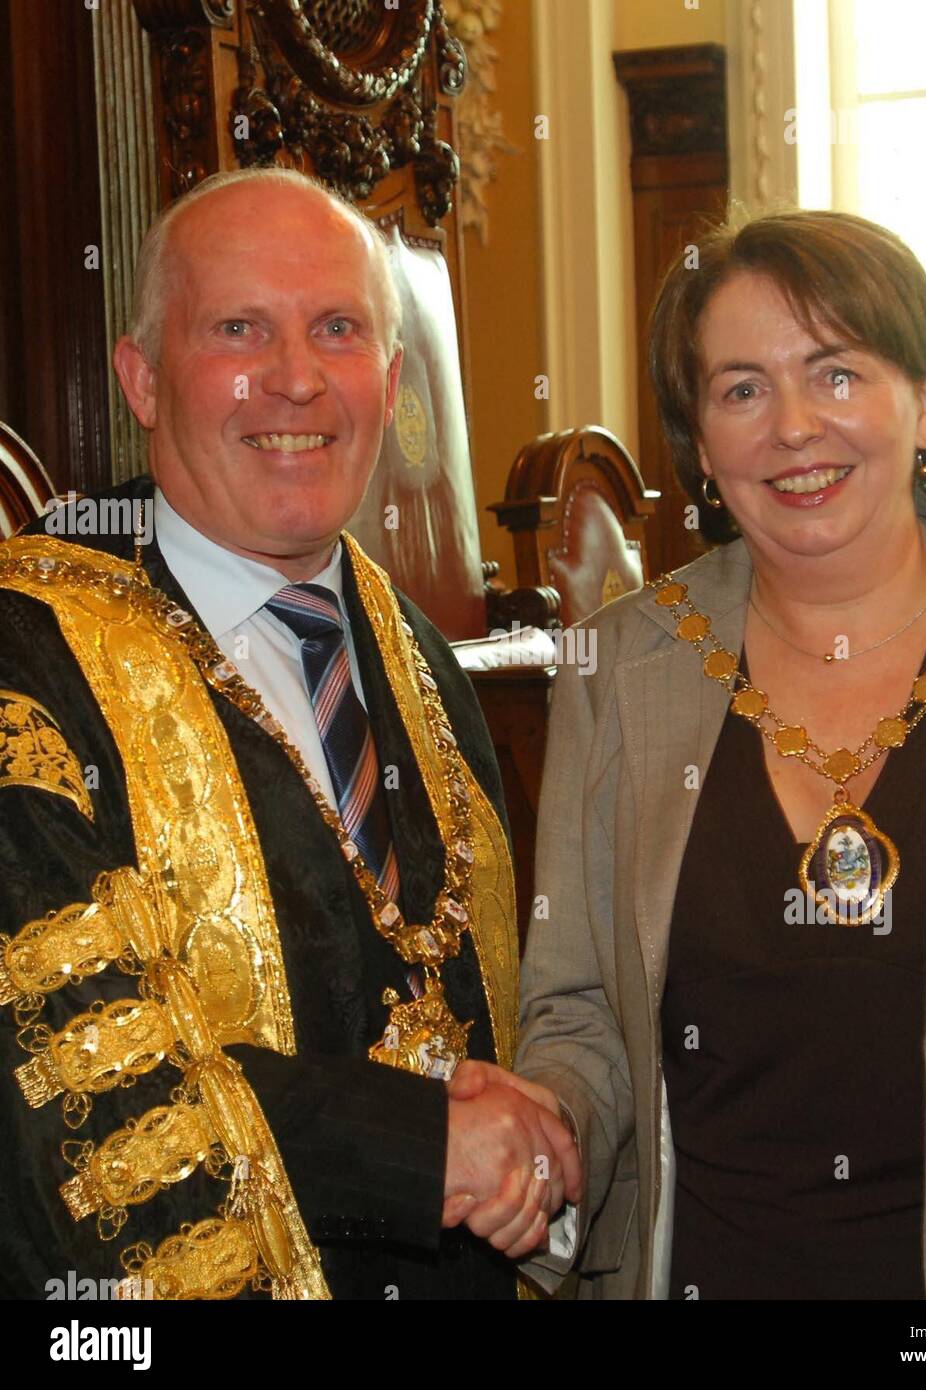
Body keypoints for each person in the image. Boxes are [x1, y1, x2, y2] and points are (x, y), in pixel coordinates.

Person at [0, 167, 579, 1301]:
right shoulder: (30, 661)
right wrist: (423, 1150)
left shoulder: (424, 658)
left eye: (337, 330)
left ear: (392, 378)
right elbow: (58, 1074)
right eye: (237, 329)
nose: (297, 379)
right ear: (143, 379)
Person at [508, 210, 926, 1298]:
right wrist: (542, 1125)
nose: (789, 428)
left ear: (923, 402)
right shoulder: (619, 664)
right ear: (699, 443)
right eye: (740, 389)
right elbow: (575, 1004)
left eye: (833, 373)